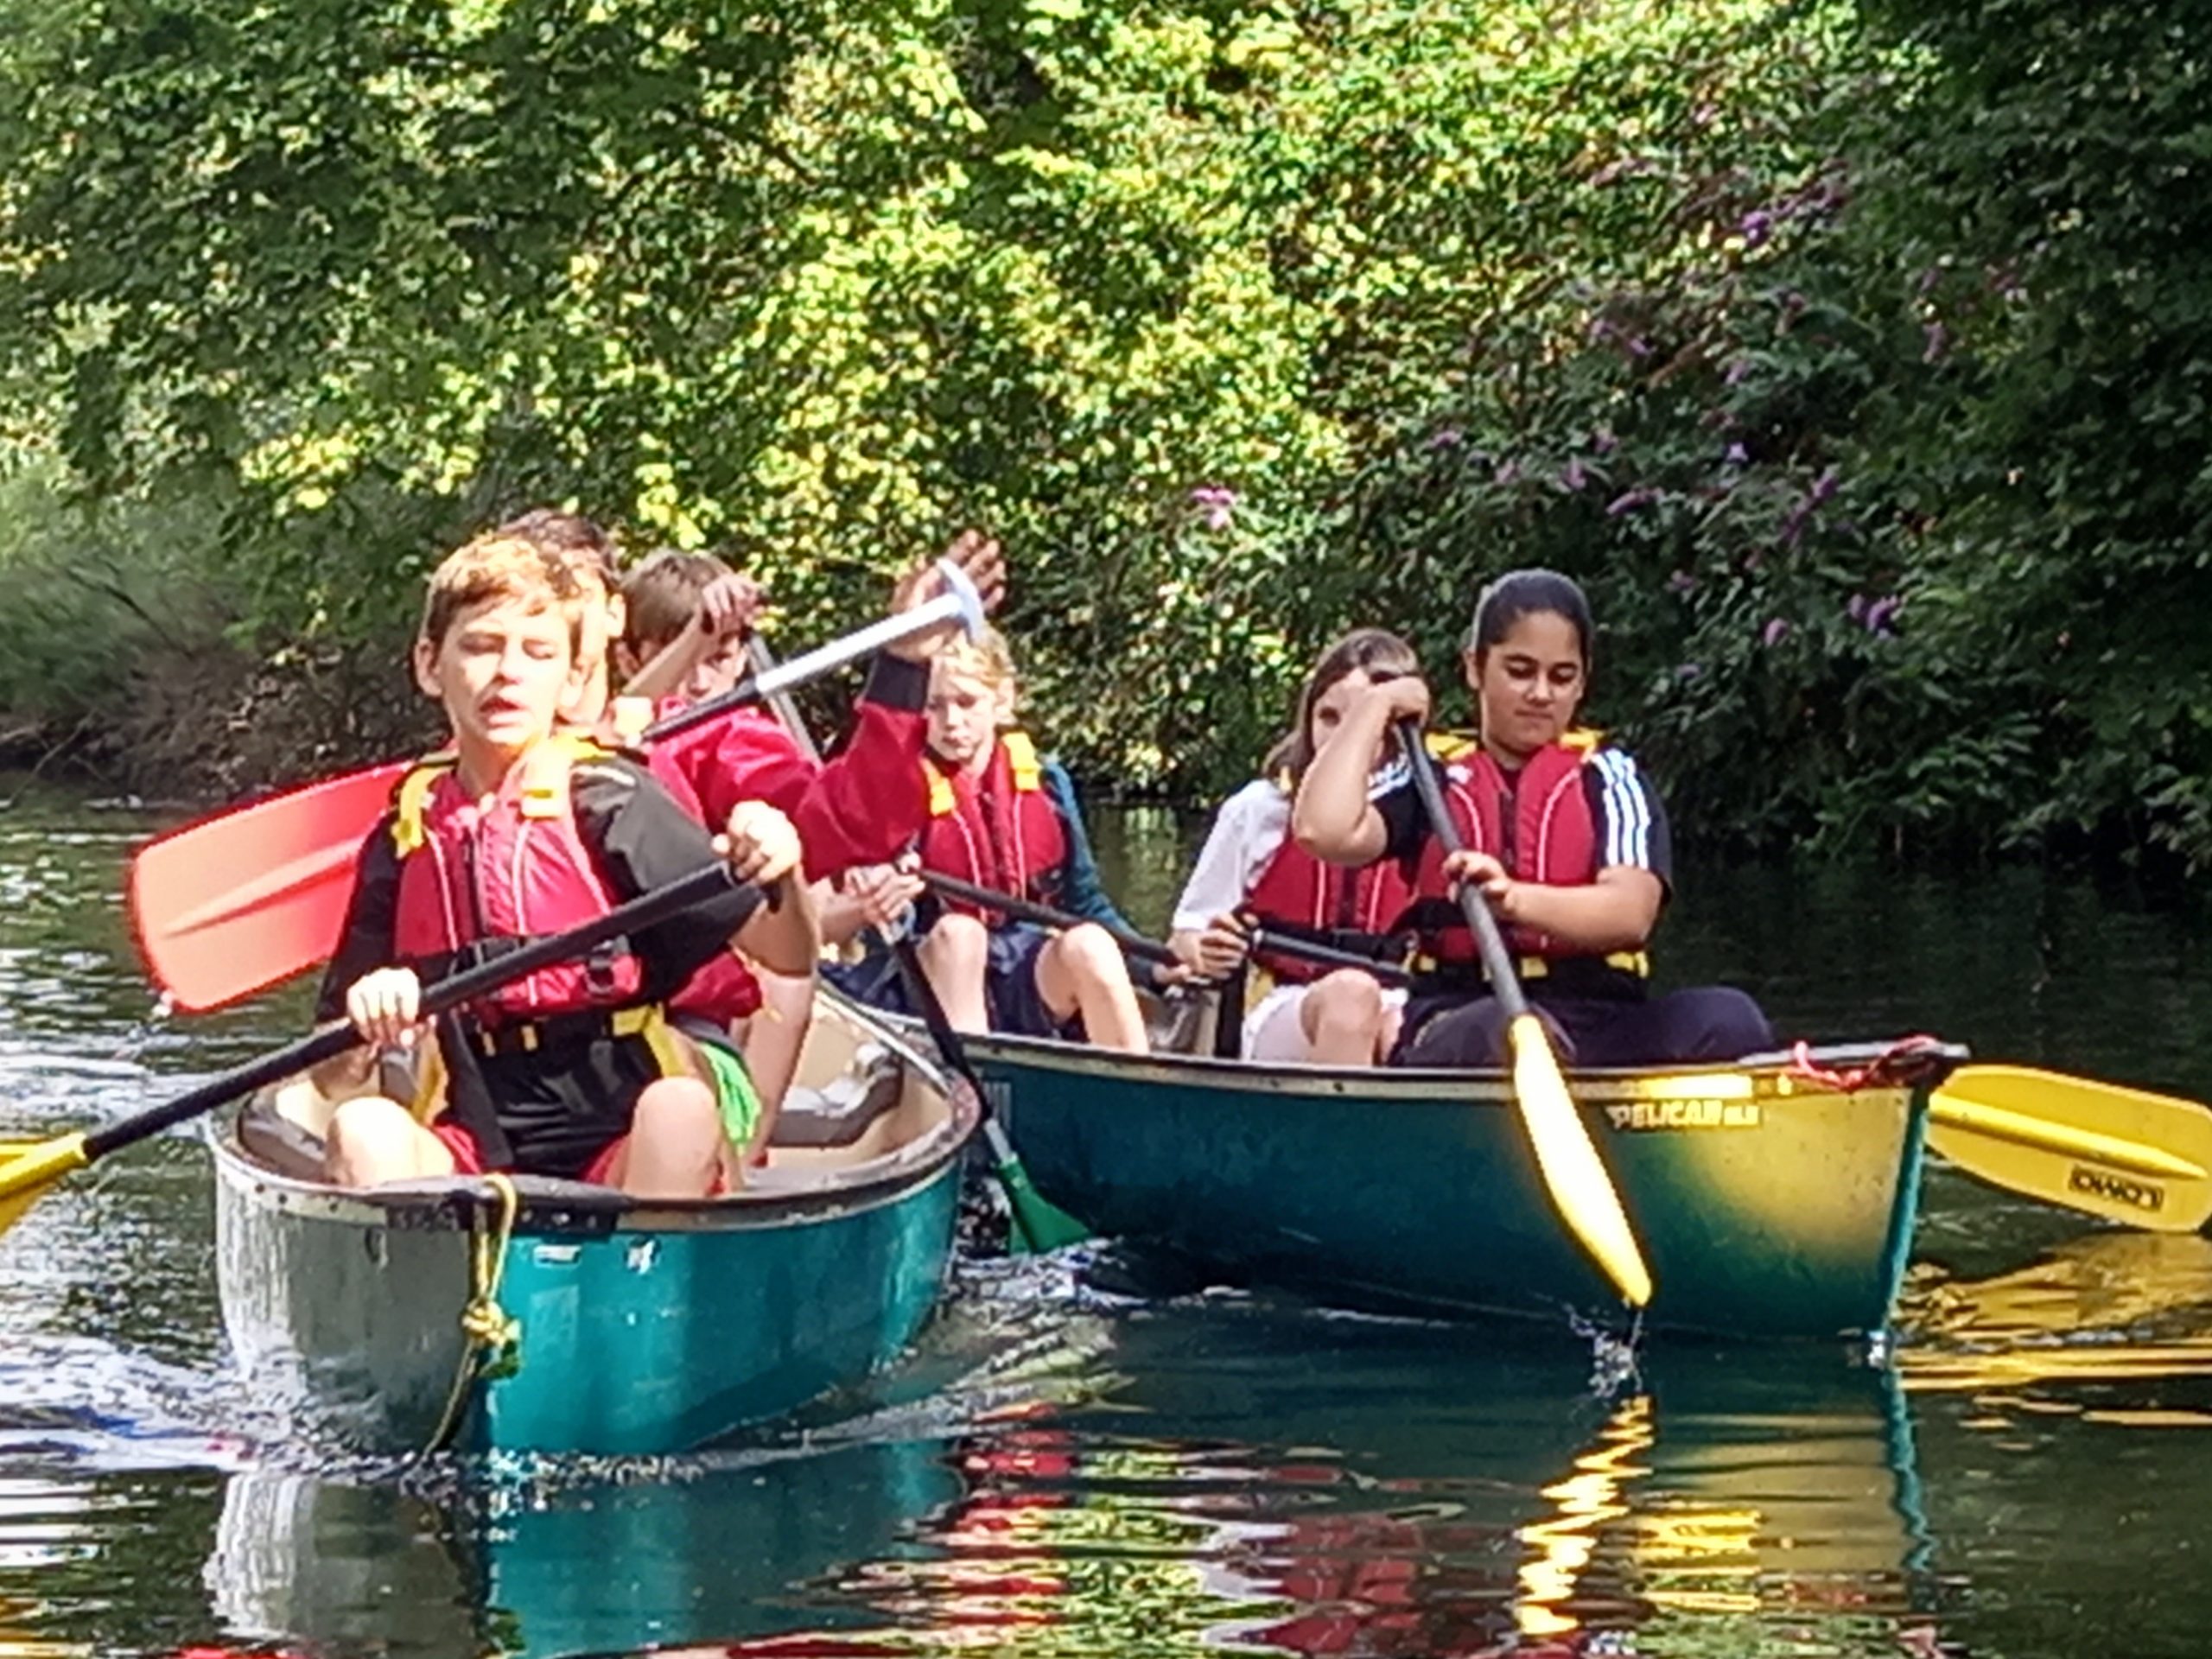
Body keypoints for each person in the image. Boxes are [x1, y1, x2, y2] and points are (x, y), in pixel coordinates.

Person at [309, 532, 819, 1197]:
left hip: (622, 1130)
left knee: (683, 1110)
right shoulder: (407, 836)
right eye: (482, 646)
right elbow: (332, 1076)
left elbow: (788, 955)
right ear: (431, 666)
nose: (508, 672)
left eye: (538, 652)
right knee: (363, 1126)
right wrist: (365, 1023)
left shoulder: (615, 799)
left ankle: (649, 1287)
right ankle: (426, 1288)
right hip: (473, 1133)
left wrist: (783, 866)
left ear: (572, 677)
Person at [606, 533, 1007, 1142]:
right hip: (582, 1013)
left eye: (719, 656)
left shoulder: (738, 746)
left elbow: (849, 820)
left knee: (786, 983)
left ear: (742, 660)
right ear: (631, 659)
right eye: (682, 653)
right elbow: (611, 732)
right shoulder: (578, 735)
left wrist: (902, 667)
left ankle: (743, 1160)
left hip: (689, 1012)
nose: (699, 678)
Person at [1291, 569, 1774, 1069]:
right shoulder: (1431, 775)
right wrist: (1376, 707)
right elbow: (1322, 830)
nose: (1541, 693)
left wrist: (1513, 899)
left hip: (1600, 1020)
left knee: (1729, 1018)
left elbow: (1631, 914)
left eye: (1561, 677)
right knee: (1509, 1031)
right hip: (1461, 1017)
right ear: (1476, 667)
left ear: (1582, 682)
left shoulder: (1610, 776)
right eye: (1520, 671)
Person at [823, 626, 1150, 1052]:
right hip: (920, 981)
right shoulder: (893, 791)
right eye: (934, 706)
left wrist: (1154, 968)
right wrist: (877, 899)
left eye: (966, 702)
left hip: (1021, 971)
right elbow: (842, 921)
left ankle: (1140, 1094)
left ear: (1003, 700)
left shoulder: (1049, 785)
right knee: (961, 936)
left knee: (1092, 943)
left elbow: (1085, 902)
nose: (952, 722)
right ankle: (976, 1092)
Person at [1169, 628, 1421, 1064]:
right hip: (1287, 1006)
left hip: (1399, 1002)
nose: (1339, 737)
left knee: (1399, 1021)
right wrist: (1206, 952)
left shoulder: (1429, 813)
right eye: (1328, 717)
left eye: (1362, 719)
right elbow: (1187, 934)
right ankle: (1335, 1131)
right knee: (1351, 996)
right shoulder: (1260, 809)